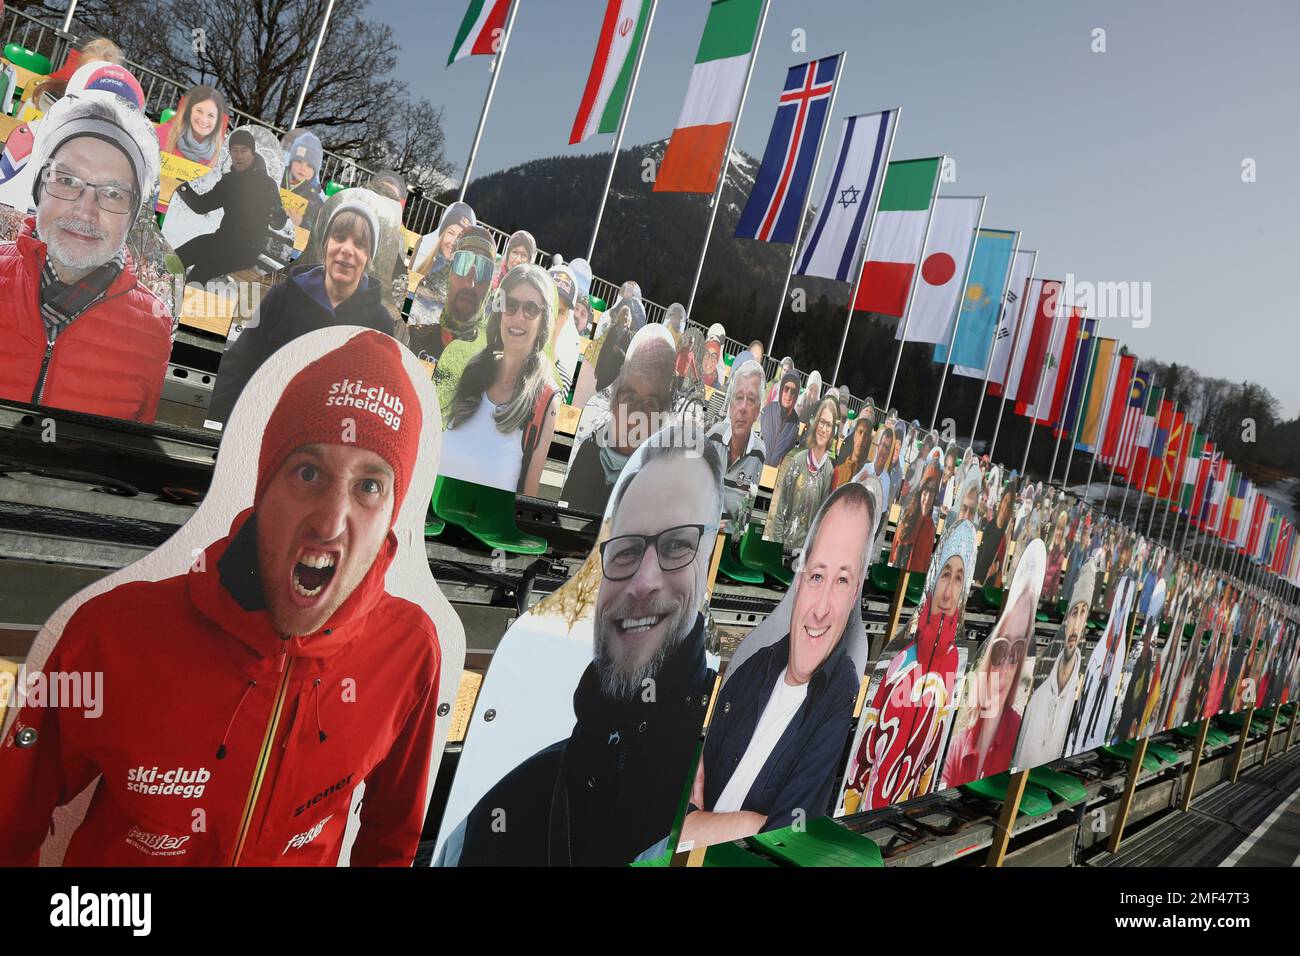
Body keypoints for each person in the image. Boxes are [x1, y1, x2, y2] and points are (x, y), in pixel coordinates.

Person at [0, 331, 442, 866]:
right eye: (308, 472)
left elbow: (391, 838)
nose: (330, 522)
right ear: (264, 491)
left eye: (369, 486)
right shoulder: (114, 633)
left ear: (392, 516)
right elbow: (10, 816)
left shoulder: (410, 650)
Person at [450, 428, 722, 865]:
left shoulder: (732, 770)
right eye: (627, 550)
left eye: (677, 545)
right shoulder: (496, 816)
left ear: (710, 560)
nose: (643, 581)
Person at [684, 483, 876, 845]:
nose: (820, 610)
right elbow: (681, 800)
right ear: (800, 576)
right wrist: (744, 822)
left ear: (856, 593)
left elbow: (783, 837)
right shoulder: (754, 666)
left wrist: (698, 826)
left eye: (842, 581)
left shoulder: (840, 691)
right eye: (817, 576)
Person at [0, 93, 172, 423]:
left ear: (131, 216)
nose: (85, 210)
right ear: (40, 189)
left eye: (112, 193)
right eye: (66, 181)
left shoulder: (153, 328)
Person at [208, 201, 390, 425]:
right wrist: (222, 427)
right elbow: (237, 367)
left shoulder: (380, 324)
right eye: (339, 237)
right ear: (325, 244)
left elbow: (373, 404)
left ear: (368, 257)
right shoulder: (280, 297)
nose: (347, 249)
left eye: (360, 243)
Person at [844, 519, 977, 812]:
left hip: (910, 810)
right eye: (945, 575)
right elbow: (865, 748)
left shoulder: (956, 662)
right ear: (933, 579)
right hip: (870, 803)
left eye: (958, 579)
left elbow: (934, 752)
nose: (948, 591)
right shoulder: (899, 655)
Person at [440, 265, 560, 497]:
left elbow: (526, 499)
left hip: (486, 532)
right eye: (511, 305)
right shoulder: (474, 370)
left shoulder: (545, 400)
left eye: (531, 309)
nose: (518, 317)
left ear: (543, 320)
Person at [940, 539, 1045, 788]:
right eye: (1000, 650)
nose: (1006, 666)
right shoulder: (959, 742)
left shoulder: (1020, 732)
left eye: (1017, 651)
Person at [562, 326, 676, 515]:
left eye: (649, 405)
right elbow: (565, 517)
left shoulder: (658, 478)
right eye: (630, 399)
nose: (635, 415)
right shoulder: (589, 449)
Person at [173, 127, 290, 284]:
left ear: (252, 153)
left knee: (199, 273)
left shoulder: (266, 184)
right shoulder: (229, 181)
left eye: (244, 151)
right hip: (221, 240)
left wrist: (277, 216)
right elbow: (202, 206)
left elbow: (279, 222)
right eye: (234, 151)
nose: (239, 156)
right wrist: (182, 187)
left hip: (245, 251)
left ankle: (186, 302)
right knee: (177, 257)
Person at [1013, 560, 1096, 769]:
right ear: (1067, 620)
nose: (1076, 624)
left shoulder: (1075, 685)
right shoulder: (1038, 697)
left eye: (1083, 613)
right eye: (1074, 613)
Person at [1065, 575, 1137, 755]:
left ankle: (1091, 740)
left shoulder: (1124, 615)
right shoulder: (1115, 614)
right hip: (1102, 664)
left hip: (1111, 666)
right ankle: (1079, 740)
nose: (1124, 596)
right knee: (1089, 707)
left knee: (1101, 711)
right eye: (1124, 591)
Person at [409, 224, 496, 371]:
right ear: (448, 272)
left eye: (484, 269)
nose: (471, 282)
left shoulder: (488, 364)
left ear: (489, 288)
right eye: (463, 262)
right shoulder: (413, 336)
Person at [767, 396, 838, 550]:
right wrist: (777, 547)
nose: (824, 429)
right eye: (822, 422)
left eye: (829, 425)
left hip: (805, 553)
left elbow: (821, 520)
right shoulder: (798, 461)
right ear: (815, 423)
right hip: (782, 545)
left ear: (833, 431)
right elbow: (781, 509)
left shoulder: (829, 472)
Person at [705, 359, 766, 524]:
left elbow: (753, 515)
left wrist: (731, 531)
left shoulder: (760, 454)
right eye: (739, 397)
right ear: (731, 405)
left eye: (751, 399)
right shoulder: (714, 437)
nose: (743, 407)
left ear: (757, 410)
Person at [157, 85, 228, 168]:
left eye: (211, 115)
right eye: (199, 111)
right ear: (189, 111)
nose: (204, 120)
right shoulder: (163, 134)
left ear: (217, 121)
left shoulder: (221, 158)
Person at [890, 462, 940, 573]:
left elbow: (925, 563)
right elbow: (893, 549)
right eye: (925, 492)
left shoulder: (931, 527)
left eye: (932, 494)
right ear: (920, 493)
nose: (927, 499)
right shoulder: (907, 517)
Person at [280, 128, 326, 231]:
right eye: (299, 161)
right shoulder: (277, 177)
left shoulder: (314, 199)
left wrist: (301, 223)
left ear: (314, 172)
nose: (303, 168)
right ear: (291, 161)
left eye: (310, 165)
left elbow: (316, 230)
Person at [548, 263, 581, 394]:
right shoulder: (511, 351)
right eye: (551, 305)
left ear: (566, 318)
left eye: (560, 311)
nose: (553, 316)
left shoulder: (562, 380)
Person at [759, 369, 801, 469]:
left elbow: (788, 454)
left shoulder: (795, 423)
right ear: (781, 389)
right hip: (757, 468)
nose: (789, 394)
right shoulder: (767, 411)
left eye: (793, 391)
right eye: (786, 389)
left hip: (773, 476)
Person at [975, 485, 1016, 587]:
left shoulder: (1007, 533)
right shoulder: (989, 526)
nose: (1006, 505)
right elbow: (980, 554)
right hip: (979, 581)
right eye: (1005, 500)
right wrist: (976, 578)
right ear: (1001, 501)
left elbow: (1004, 560)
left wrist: (996, 566)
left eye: (1009, 504)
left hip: (993, 584)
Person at [833, 416, 871, 489]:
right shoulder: (839, 470)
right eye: (860, 432)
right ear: (855, 435)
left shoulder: (867, 473)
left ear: (868, 440)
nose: (861, 439)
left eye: (865, 435)